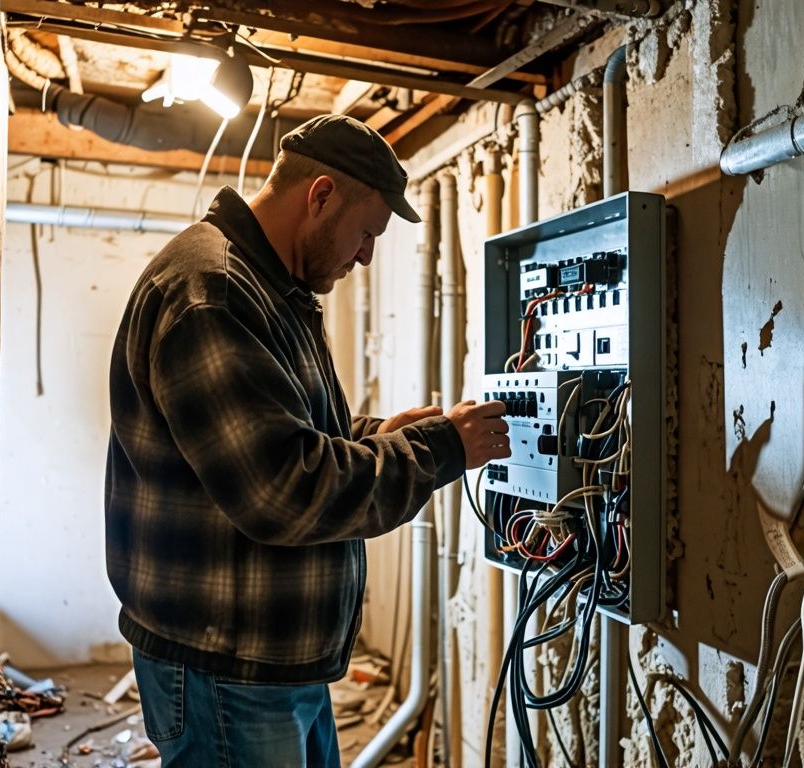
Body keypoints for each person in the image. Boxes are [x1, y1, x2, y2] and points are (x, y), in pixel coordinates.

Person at [104, 114, 511, 767]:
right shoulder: (213, 293)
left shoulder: (271, 290)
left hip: (271, 662)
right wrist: (440, 450)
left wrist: (380, 436)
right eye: (368, 232)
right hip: (226, 670)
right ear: (320, 195)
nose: (366, 254)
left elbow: (285, 435)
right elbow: (282, 491)